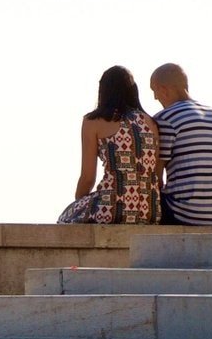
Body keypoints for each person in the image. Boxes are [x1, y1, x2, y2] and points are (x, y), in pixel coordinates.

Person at [58, 66, 161, 224]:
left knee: (65, 218)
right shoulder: (151, 123)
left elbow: (87, 178)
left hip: (110, 208)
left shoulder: (93, 122)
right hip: (149, 212)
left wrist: (78, 203)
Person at [150, 63, 212, 226]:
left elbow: (155, 178)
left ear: (164, 89)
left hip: (184, 213)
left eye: (155, 91)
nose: (155, 98)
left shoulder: (165, 118)